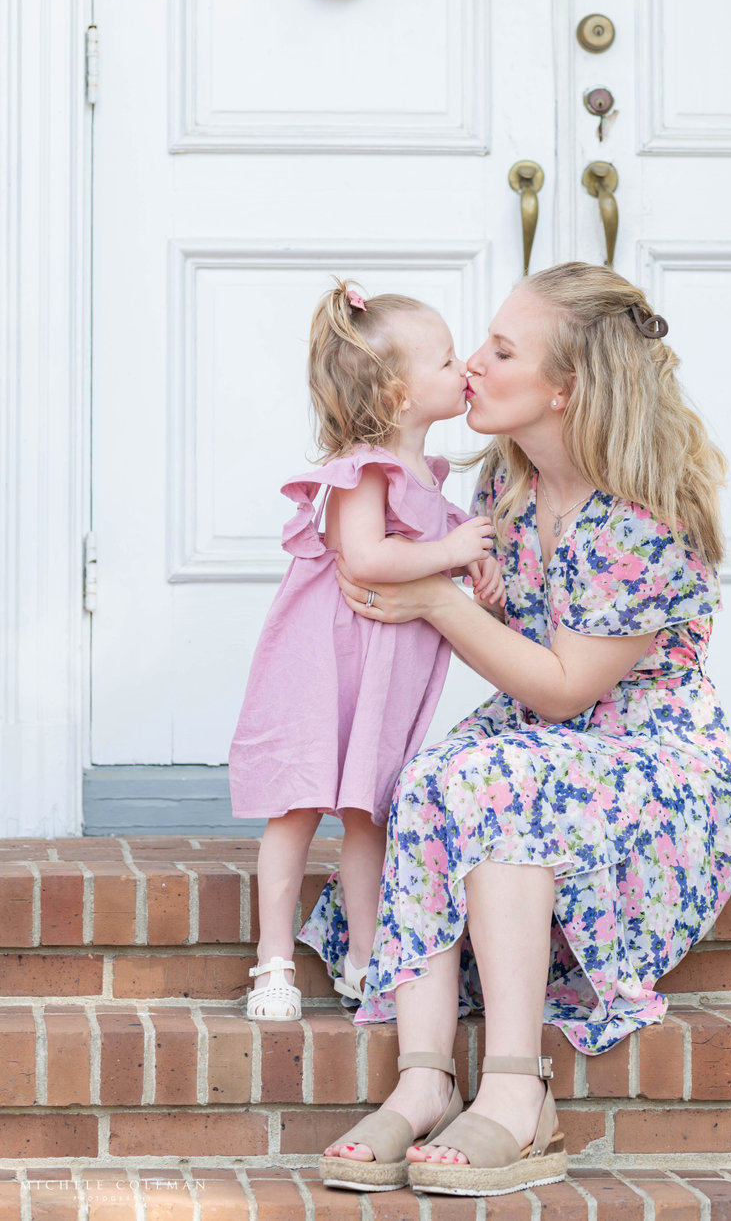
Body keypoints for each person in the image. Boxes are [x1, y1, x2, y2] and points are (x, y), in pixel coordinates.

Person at [308, 262, 731, 1197]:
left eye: (501, 350)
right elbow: (509, 657)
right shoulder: (504, 494)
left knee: (500, 783)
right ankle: (423, 1080)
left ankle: (518, 1090)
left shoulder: (643, 521)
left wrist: (429, 595)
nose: (472, 362)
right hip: (540, 744)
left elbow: (560, 691)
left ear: (567, 388)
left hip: (646, 763)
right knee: (432, 779)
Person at [228, 282, 503, 1023]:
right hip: (327, 664)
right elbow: (368, 558)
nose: (464, 370)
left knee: (366, 814)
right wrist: (448, 548)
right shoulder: (363, 469)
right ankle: (274, 962)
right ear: (395, 390)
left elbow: (425, 557)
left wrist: (469, 562)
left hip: (384, 672)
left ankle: (362, 959)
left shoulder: (428, 479)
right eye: (446, 360)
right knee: (296, 809)